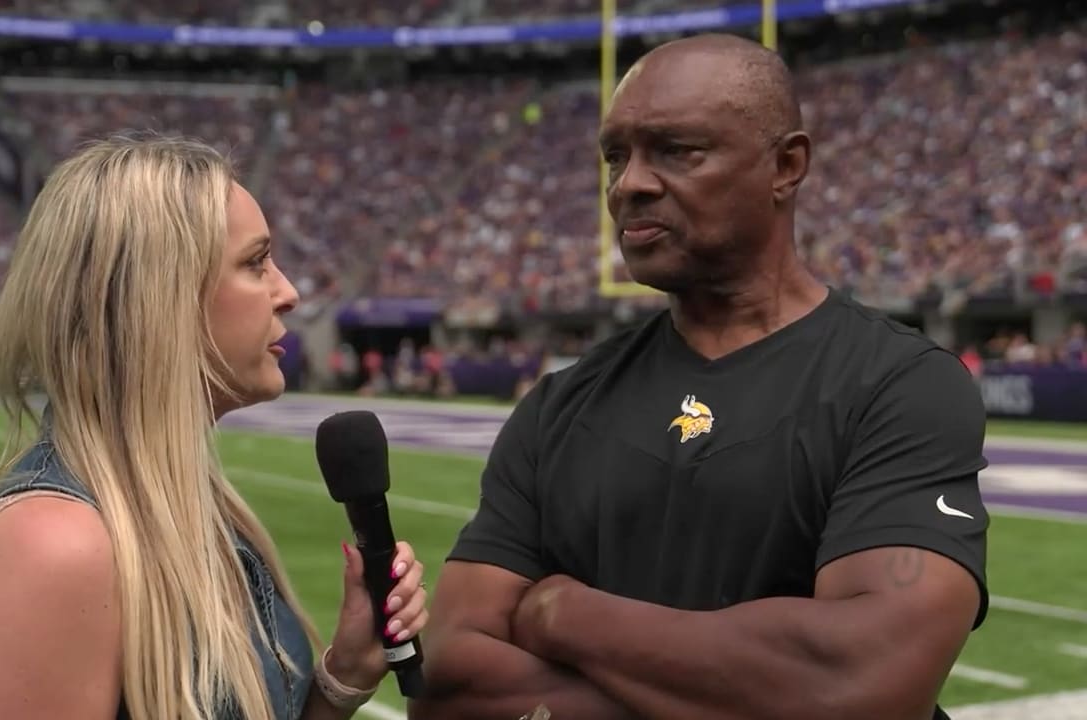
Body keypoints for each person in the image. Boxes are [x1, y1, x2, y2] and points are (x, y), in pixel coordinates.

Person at [410, 33, 988, 720]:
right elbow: (447, 682)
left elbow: (861, 687)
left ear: (787, 165)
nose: (630, 184)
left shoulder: (900, 385)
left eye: (677, 151)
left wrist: (560, 612)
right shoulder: (559, 405)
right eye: (615, 156)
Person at [0, 133, 429, 720]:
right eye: (255, 262)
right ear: (157, 300)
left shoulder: (185, 507)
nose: (288, 292)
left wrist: (342, 678)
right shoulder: (52, 549)